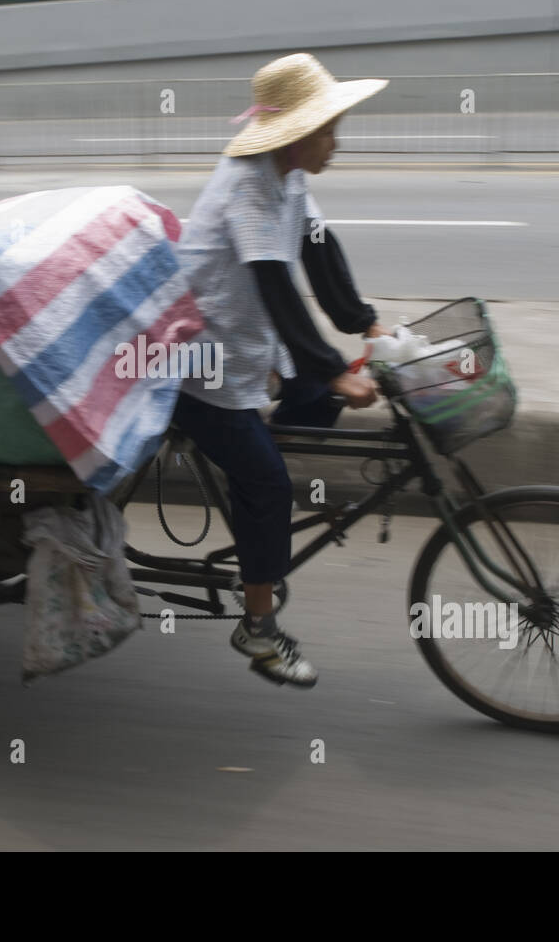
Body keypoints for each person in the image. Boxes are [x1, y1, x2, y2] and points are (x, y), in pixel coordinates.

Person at [171, 52, 388, 688]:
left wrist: (364, 323)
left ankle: (260, 535)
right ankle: (258, 627)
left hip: (249, 345)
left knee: (314, 402)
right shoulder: (248, 185)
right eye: (327, 131)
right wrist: (332, 370)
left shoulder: (288, 176)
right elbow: (274, 285)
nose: (335, 144)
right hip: (201, 362)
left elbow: (319, 251)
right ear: (295, 135)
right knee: (268, 485)